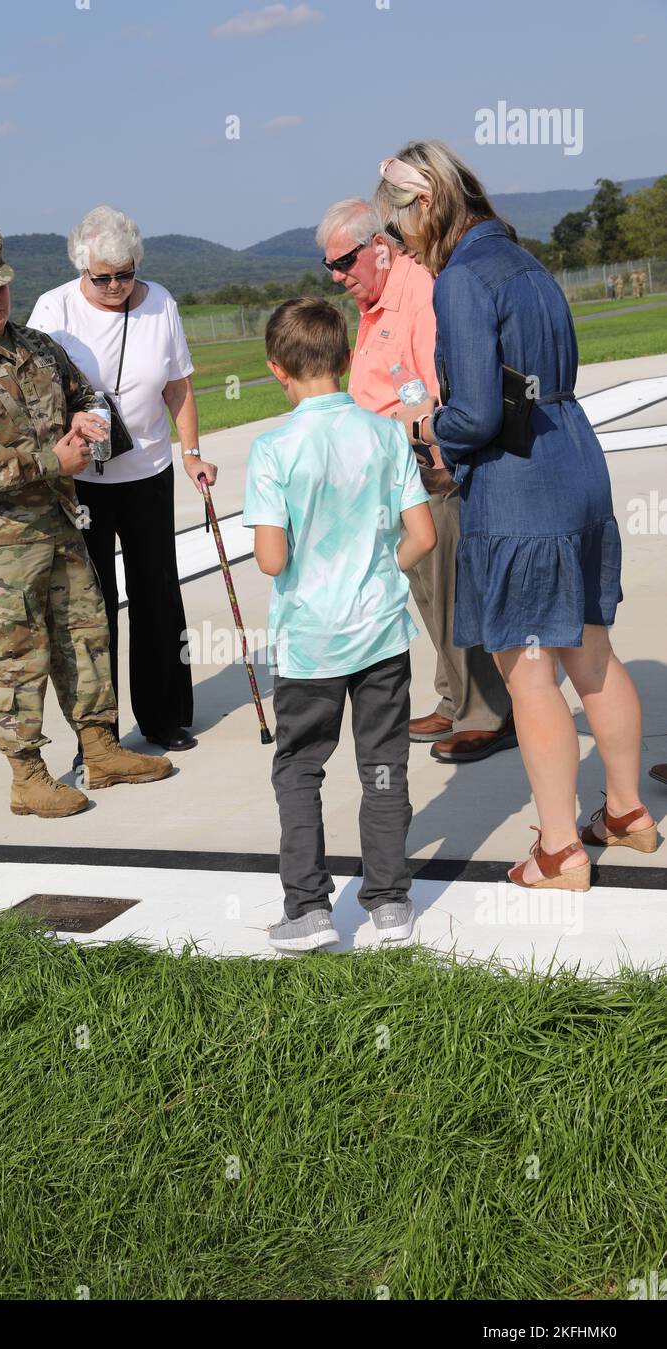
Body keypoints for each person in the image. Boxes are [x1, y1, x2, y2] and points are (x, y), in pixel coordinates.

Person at [376, 143, 657, 891]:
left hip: (519, 482)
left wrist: (425, 429)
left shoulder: (462, 279)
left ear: (425, 205)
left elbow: (471, 415)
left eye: (395, 226)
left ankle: (560, 850)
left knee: (528, 671)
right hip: (575, 459)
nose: (398, 242)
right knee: (591, 652)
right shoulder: (526, 262)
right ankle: (627, 813)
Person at [0, 228, 172, 816]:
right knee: (15, 655)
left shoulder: (39, 347)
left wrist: (89, 426)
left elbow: (86, 396)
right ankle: (28, 777)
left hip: (57, 522)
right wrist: (56, 459)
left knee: (86, 634)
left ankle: (99, 749)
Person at [243, 297, 436, 952]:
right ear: (348, 358)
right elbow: (422, 535)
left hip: (309, 642)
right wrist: (381, 569)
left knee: (300, 767)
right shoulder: (384, 435)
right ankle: (390, 905)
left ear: (277, 369)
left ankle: (309, 909)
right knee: (383, 765)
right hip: (380, 630)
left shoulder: (273, 449)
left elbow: (272, 560)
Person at [316, 196, 513, 763]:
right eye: (330, 267)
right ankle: (455, 699)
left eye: (344, 262)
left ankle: (487, 712)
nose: (337, 276)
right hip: (398, 472)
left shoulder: (420, 292)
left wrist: (424, 446)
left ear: (380, 247)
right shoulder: (379, 301)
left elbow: (434, 389)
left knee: (451, 592)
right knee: (427, 591)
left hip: (430, 468)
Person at [27, 205, 216, 754]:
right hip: (81, 480)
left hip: (148, 471)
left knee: (157, 592)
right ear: (81, 269)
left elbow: (177, 387)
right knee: (91, 601)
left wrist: (192, 453)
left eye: (125, 273)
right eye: (102, 277)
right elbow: (33, 394)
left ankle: (165, 717)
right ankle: (99, 730)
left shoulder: (160, 303)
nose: (115, 285)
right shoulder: (53, 309)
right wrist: (67, 424)